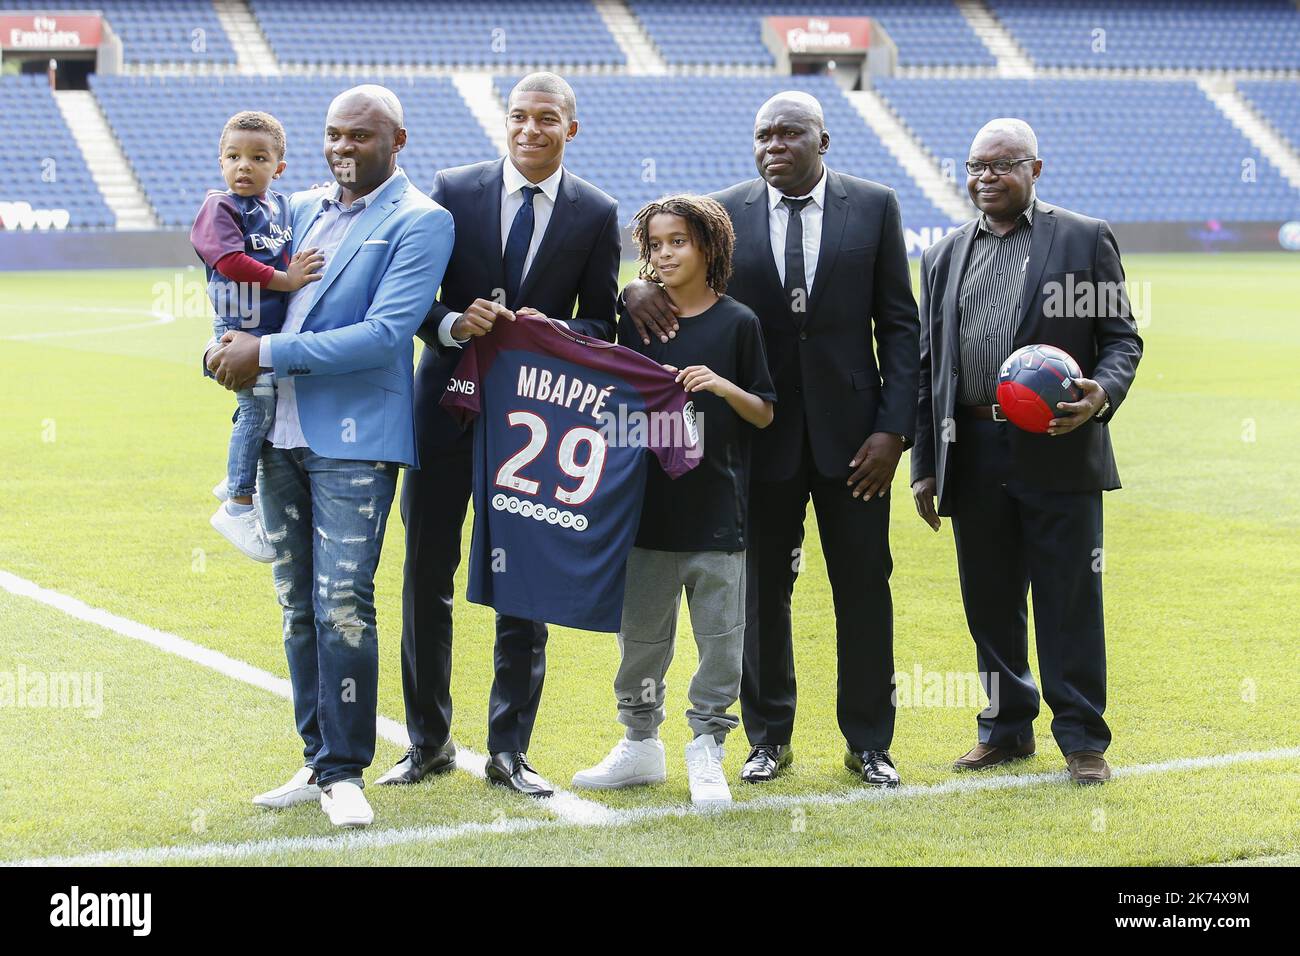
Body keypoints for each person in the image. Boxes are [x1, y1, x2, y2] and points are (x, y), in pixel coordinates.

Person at [623, 92, 919, 787]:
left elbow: (899, 326)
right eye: (763, 135)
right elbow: (674, 277)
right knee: (759, 595)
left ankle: (870, 743)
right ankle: (767, 738)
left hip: (856, 446)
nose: (773, 146)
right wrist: (631, 290)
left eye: (790, 133)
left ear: (824, 139)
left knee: (864, 587)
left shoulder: (874, 205)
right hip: (756, 440)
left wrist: (893, 429)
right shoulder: (723, 212)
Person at [206, 85, 455, 826]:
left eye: (361, 137)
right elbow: (252, 297)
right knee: (296, 605)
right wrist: (222, 349)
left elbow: (385, 335)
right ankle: (317, 759)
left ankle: (346, 770)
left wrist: (268, 351)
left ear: (398, 142)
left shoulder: (421, 220)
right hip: (277, 432)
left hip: (355, 442)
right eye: (334, 135)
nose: (344, 149)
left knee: (343, 602)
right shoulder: (301, 207)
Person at [381, 72, 619, 797]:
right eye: (519, 116)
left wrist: (552, 331)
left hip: (532, 425)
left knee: (525, 581)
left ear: (570, 129)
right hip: (443, 409)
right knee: (427, 571)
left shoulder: (596, 211)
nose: (530, 129)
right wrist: (454, 323)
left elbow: (602, 323)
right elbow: (413, 293)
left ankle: (509, 750)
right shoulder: (453, 189)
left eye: (547, 119)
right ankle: (427, 742)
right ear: (504, 122)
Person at [910, 118, 1143, 785]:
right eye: (977, 167)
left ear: (1034, 169)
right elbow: (933, 369)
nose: (987, 178)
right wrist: (926, 466)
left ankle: (1082, 740)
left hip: (1058, 443)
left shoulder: (1082, 238)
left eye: (1003, 165)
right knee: (988, 598)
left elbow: (1122, 340)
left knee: (1069, 599)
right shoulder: (944, 254)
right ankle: (1006, 729)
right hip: (974, 445)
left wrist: (1100, 394)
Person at [571, 195, 775, 807]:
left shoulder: (739, 322)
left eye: (678, 242)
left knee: (721, 643)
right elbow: (597, 387)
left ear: (708, 248)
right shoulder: (633, 320)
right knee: (640, 643)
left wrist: (721, 385)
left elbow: (764, 412)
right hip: (642, 515)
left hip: (716, 513)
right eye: (655, 244)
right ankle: (640, 744)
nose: (665, 253)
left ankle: (707, 748)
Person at [191, 110, 323, 561]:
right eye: (233, 156)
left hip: (270, 330)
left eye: (258, 157)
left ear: (278, 167)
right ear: (220, 162)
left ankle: (234, 473)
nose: (243, 166)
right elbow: (230, 261)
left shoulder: (281, 206)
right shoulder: (221, 206)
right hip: (239, 327)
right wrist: (286, 280)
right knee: (257, 409)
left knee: (264, 408)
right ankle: (238, 503)